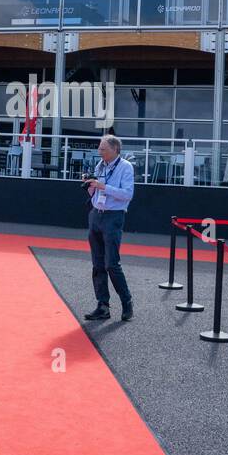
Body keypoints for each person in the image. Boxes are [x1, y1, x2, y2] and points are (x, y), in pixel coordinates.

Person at [82, 134, 135, 322]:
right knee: (97, 264)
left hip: (113, 217)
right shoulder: (100, 166)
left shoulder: (125, 167)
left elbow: (128, 195)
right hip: (96, 214)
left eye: (103, 149)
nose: (99, 152)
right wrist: (90, 185)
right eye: (100, 148)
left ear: (114, 150)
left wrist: (104, 186)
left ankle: (127, 302)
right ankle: (102, 306)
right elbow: (95, 190)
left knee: (111, 263)